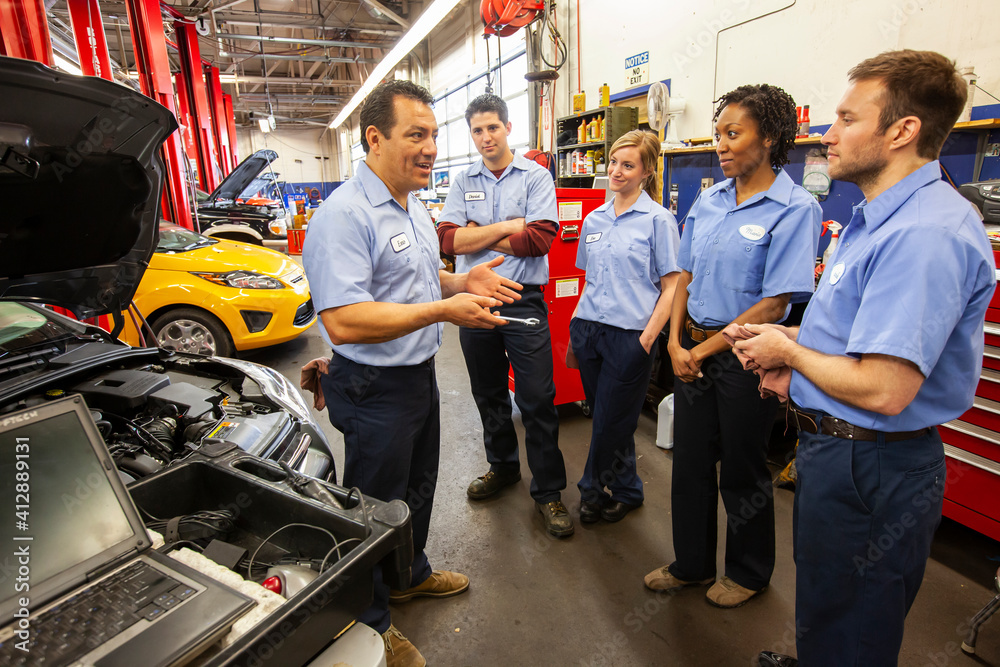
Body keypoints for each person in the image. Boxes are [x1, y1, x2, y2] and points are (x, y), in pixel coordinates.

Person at [739, 51, 995, 667]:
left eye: (847, 118)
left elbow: (884, 388)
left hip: (873, 464)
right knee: (832, 603)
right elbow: (856, 333)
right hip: (842, 453)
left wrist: (788, 349)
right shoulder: (876, 220)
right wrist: (796, 361)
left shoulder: (923, 235)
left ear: (902, 131)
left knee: (856, 622)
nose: (829, 134)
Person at [302, 79, 523, 667]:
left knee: (417, 489)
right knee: (374, 507)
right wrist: (445, 309)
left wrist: (460, 283)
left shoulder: (414, 207)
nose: (430, 148)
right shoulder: (342, 217)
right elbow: (345, 320)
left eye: (433, 135)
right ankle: (369, 623)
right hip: (374, 387)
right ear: (375, 138)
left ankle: (408, 574)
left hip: (417, 374)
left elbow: (419, 285)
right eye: (416, 135)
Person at [643, 84, 822, 608]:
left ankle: (747, 572)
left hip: (745, 359)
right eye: (718, 134)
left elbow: (773, 304)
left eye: (732, 134)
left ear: (768, 139)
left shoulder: (794, 208)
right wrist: (676, 343)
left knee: (743, 470)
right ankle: (691, 564)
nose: (720, 144)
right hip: (690, 350)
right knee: (690, 464)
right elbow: (684, 277)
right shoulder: (711, 199)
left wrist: (702, 351)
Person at [437, 94, 572, 537]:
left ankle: (548, 491)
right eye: (477, 130)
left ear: (508, 128)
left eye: (492, 127)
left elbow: (538, 241)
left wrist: (474, 236)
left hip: (522, 298)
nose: (485, 137)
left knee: (536, 396)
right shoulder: (462, 181)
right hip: (473, 301)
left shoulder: (536, 177)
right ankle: (503, 467)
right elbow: (446, 241)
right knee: (488, 392)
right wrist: (507, 227)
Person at [569, 130, 680, 523]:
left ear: (646, 171)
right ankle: (629, 488)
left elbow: (672, 286)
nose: (616, 171)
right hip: (588, 331)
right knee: (607, 418)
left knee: (612, 420)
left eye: (627, 165)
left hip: (630, 335)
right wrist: (577, 326)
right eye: (613, 162)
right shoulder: (594, 218)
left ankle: (590, 490)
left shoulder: (659, 221)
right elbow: (591, 276)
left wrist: (647, 340)